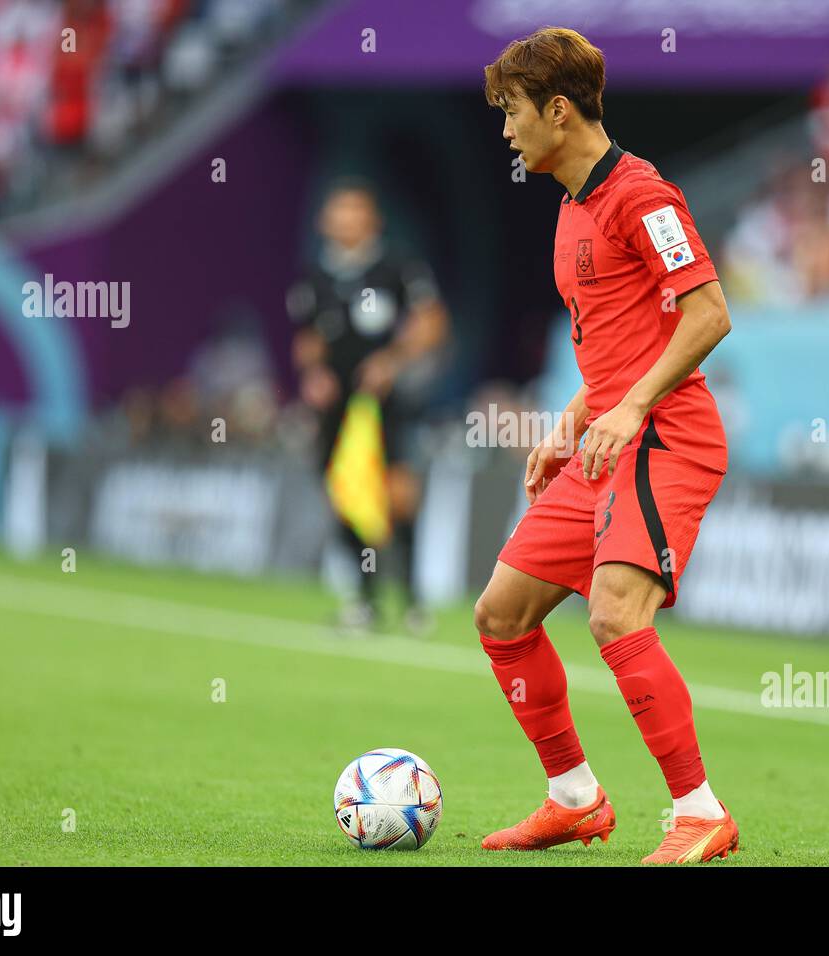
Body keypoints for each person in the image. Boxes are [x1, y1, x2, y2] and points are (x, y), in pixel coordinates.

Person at [473, 28, 737, 864]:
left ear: (559, 109)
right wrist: (572, 422)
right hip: (606, 441)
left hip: (667, 438)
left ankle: (699, 812)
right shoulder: (572, 206)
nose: (506, 131)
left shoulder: (644, 198)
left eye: (513, 112)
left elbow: (708, 315)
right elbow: (618, 340)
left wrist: (630, 412)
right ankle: (574, 798)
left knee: (616, 615)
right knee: (501, 616)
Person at [287, 179, 449, 632]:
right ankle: (364, 600)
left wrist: (393, 361)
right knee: (344, 496)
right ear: (325, 221)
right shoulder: (314, 277)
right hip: (336, 406)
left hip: (385, 402)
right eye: (339, 211)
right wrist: (313, 374)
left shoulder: (397, 266)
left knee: (398, 495)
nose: (347, 220)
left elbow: (433, 321)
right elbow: (308, 339)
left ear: (373, 219)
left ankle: (415, 599)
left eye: (356, 211)